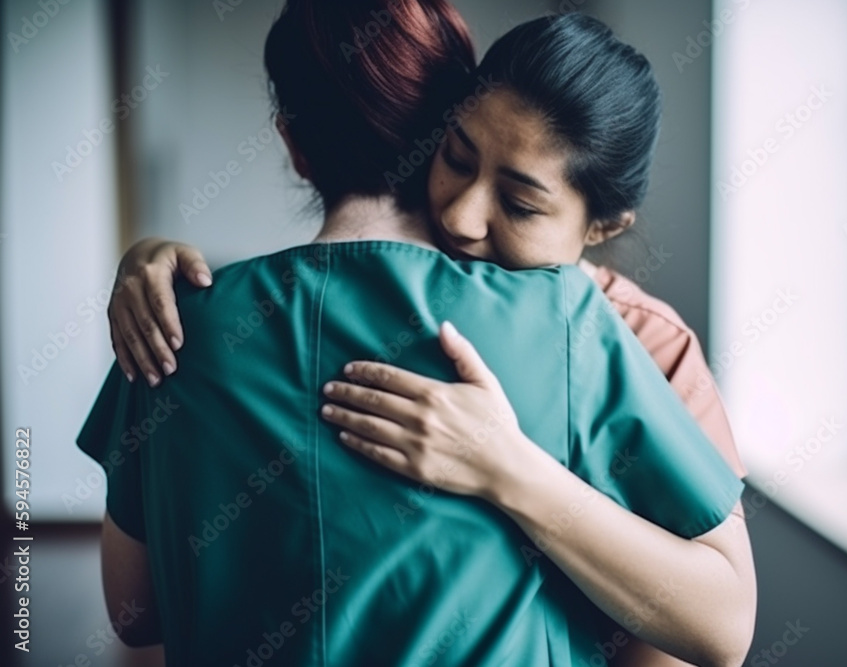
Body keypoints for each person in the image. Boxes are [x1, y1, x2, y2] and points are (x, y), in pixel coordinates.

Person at [80, 4, 754, 667]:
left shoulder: (640, 339)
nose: (462, 216)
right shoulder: (181, 312)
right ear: (431, 135)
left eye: (520, 204)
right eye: (456, 157)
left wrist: (510, 469)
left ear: (603, 228)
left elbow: (700, 634)